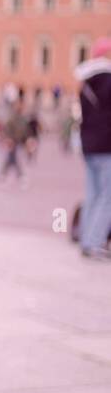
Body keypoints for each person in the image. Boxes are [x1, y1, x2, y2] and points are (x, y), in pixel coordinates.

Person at [75, 36, 111, 260]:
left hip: (88, 145)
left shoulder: (85, 82)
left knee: (92, 194)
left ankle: (86, 239)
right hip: (107, 145)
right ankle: (95, 243)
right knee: (107, 196)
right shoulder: (109, 80)